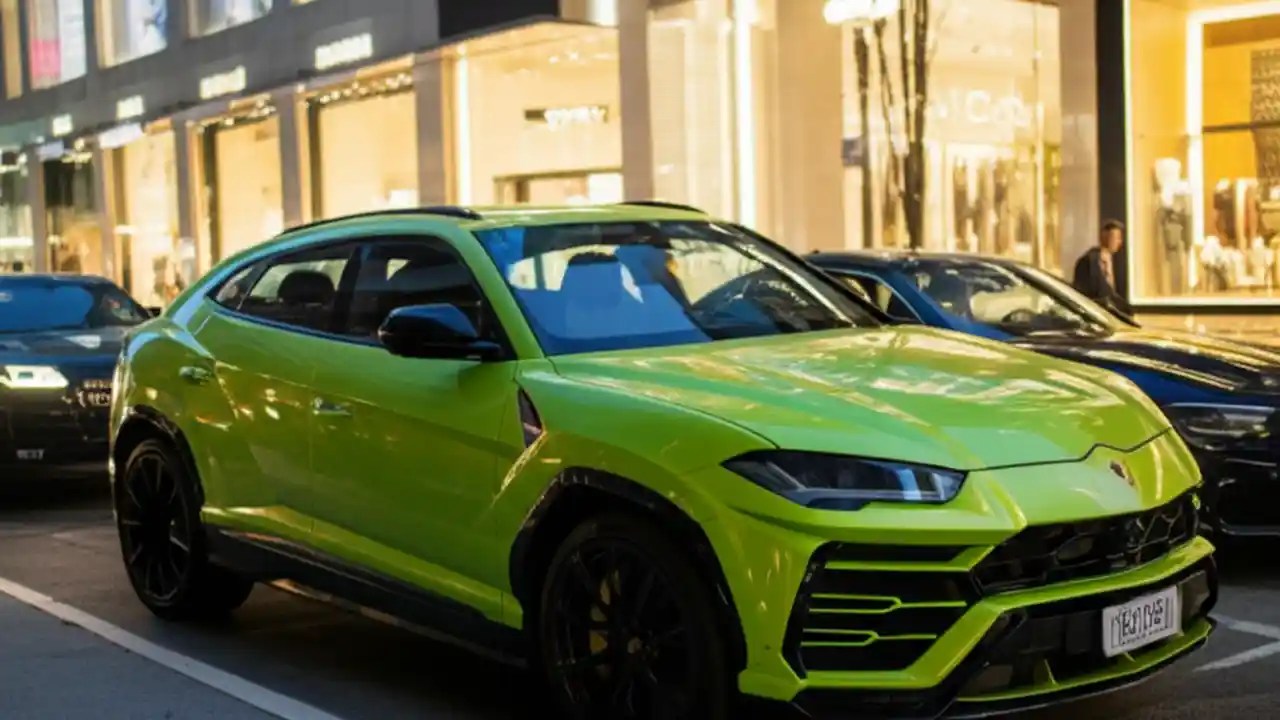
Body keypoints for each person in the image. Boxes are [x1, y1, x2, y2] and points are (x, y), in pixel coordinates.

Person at [1072, 220, 1132, 317]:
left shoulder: (1119, 262)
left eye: (1120, 238)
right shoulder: (1088, 261)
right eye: (1115, 238)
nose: (1119, 242)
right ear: (1103, 237)